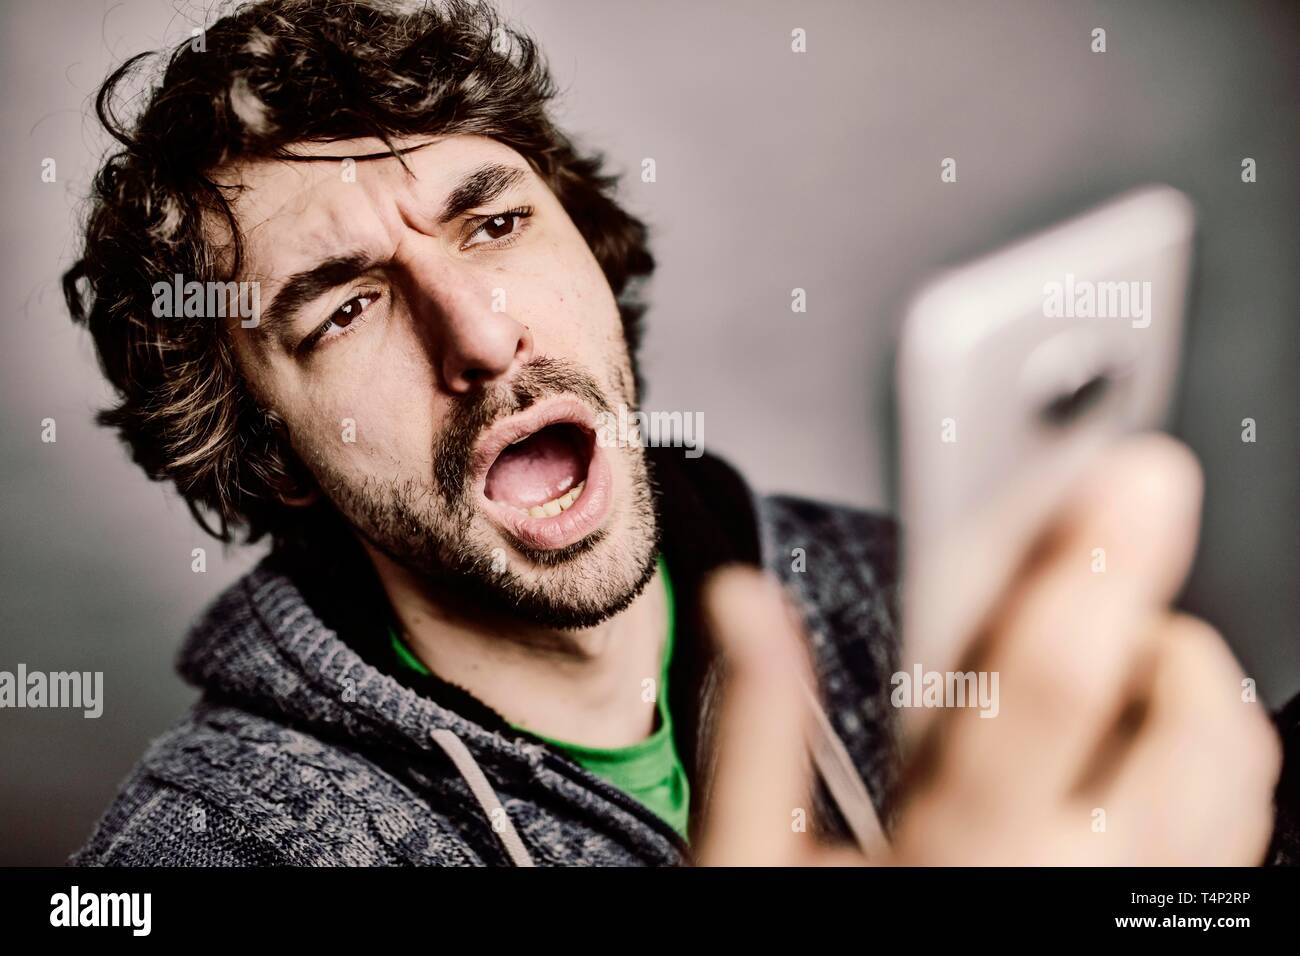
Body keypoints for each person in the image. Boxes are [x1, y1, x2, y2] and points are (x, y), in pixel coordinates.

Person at [65, 0, 1293, 866]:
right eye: (346, 308)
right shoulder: (217, 845)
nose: (483, 337)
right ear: (270, 453)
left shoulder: (898, 590)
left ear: (588, 249)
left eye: (491, 225)